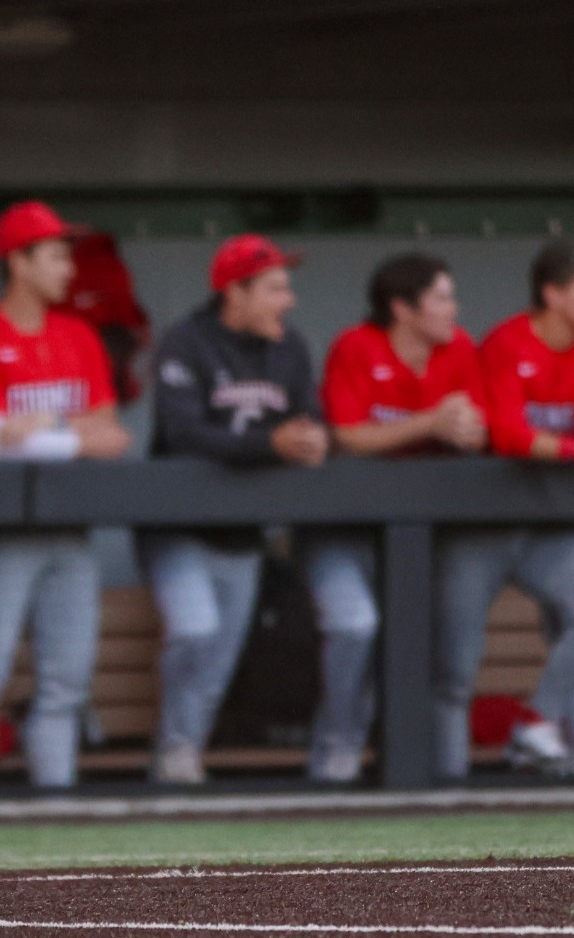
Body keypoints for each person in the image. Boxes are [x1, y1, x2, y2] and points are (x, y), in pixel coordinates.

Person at [0, 201, 130, 790]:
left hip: (71, 530)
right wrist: (71, 430)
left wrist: (40, 427)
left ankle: (57, 812)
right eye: (54, 254)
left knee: (67, 680)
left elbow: (114, 438)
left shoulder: (80, 336)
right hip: (1, 533)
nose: (69, 268)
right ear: (17, 263)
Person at [143, 233, 327, 784]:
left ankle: (180, 760)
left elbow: (309, 418)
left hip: (244, 534)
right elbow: (184, 434)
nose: (287, 300)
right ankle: (175, 752)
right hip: (177, 527)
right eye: (275, 288)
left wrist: (311, 439)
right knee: (195, 631)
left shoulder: (288, 348)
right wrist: (271, 445)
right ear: (235, 292)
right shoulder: (186, 343)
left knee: (218, 663)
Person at [309, 252, 487, 781]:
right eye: (442, 298)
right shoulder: (357, 346)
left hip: (423, 531)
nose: (454, 309)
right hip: (343, 524)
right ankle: (337, 752)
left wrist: (467, 429)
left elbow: (478, 429)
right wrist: (431, 423)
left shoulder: (459, 349)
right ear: (403, 309)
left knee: (420, 647)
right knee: (355, 626)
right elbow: (348, 436)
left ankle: (428, 773)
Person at [434, 239, 574, 778]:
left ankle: (538, 725)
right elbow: (512, 435)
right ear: (554, 294)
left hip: (546, 528)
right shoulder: (509, 343)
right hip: (480, 525)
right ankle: (442, 795)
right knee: (453, 671)